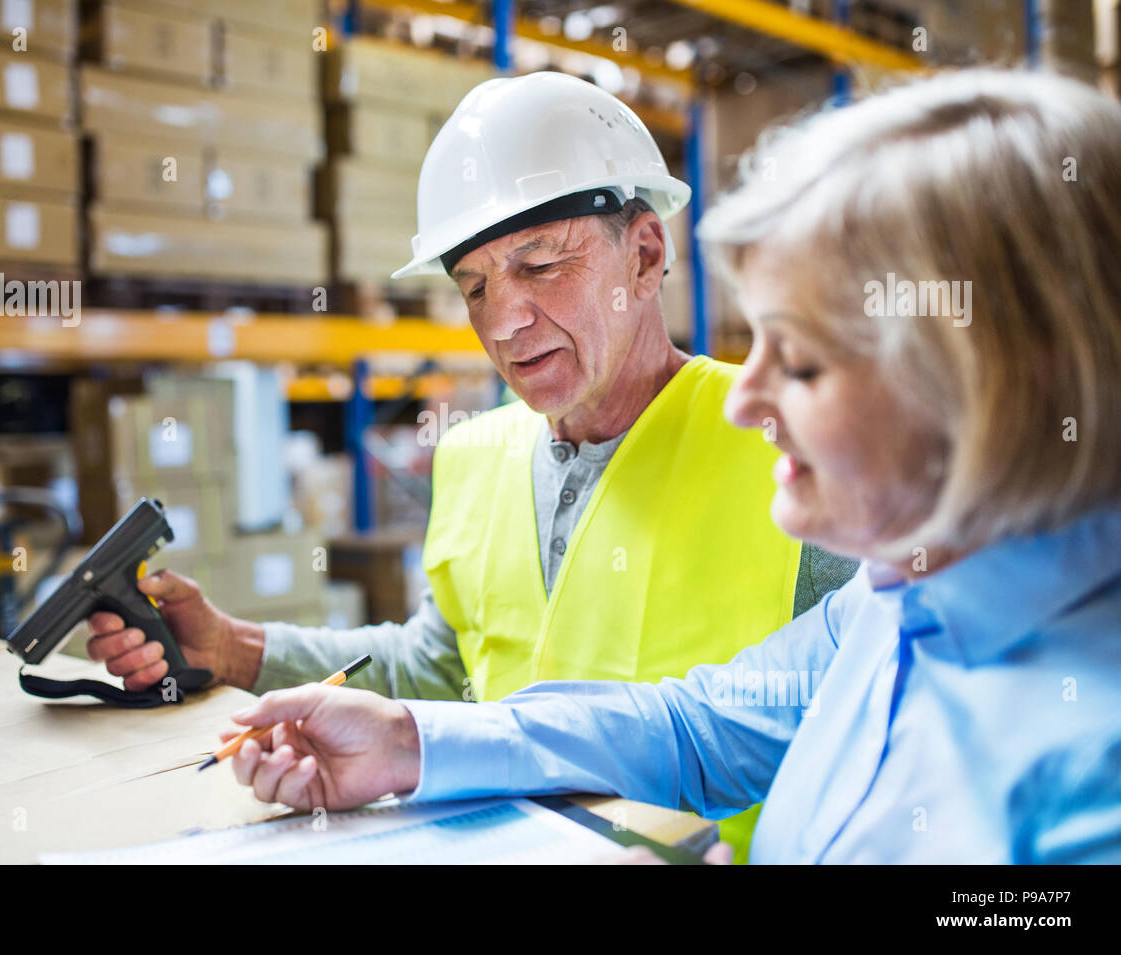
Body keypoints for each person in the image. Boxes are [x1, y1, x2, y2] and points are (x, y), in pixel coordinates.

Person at [215, 68, 1121, 863]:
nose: (745, 399)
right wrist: (412, 742)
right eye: (477, 286)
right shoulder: (889, 605)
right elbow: (691, 726)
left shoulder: (1092, 756)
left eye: (802, 359)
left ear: (987, 380)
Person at [84, 71, 856, 863]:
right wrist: (232, 646)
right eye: (476, 286)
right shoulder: (475, 454)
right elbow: (438, 670)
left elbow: (867, 721)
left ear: (646, 253)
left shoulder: (792, 449)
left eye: (540, 265)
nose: (506, 321)